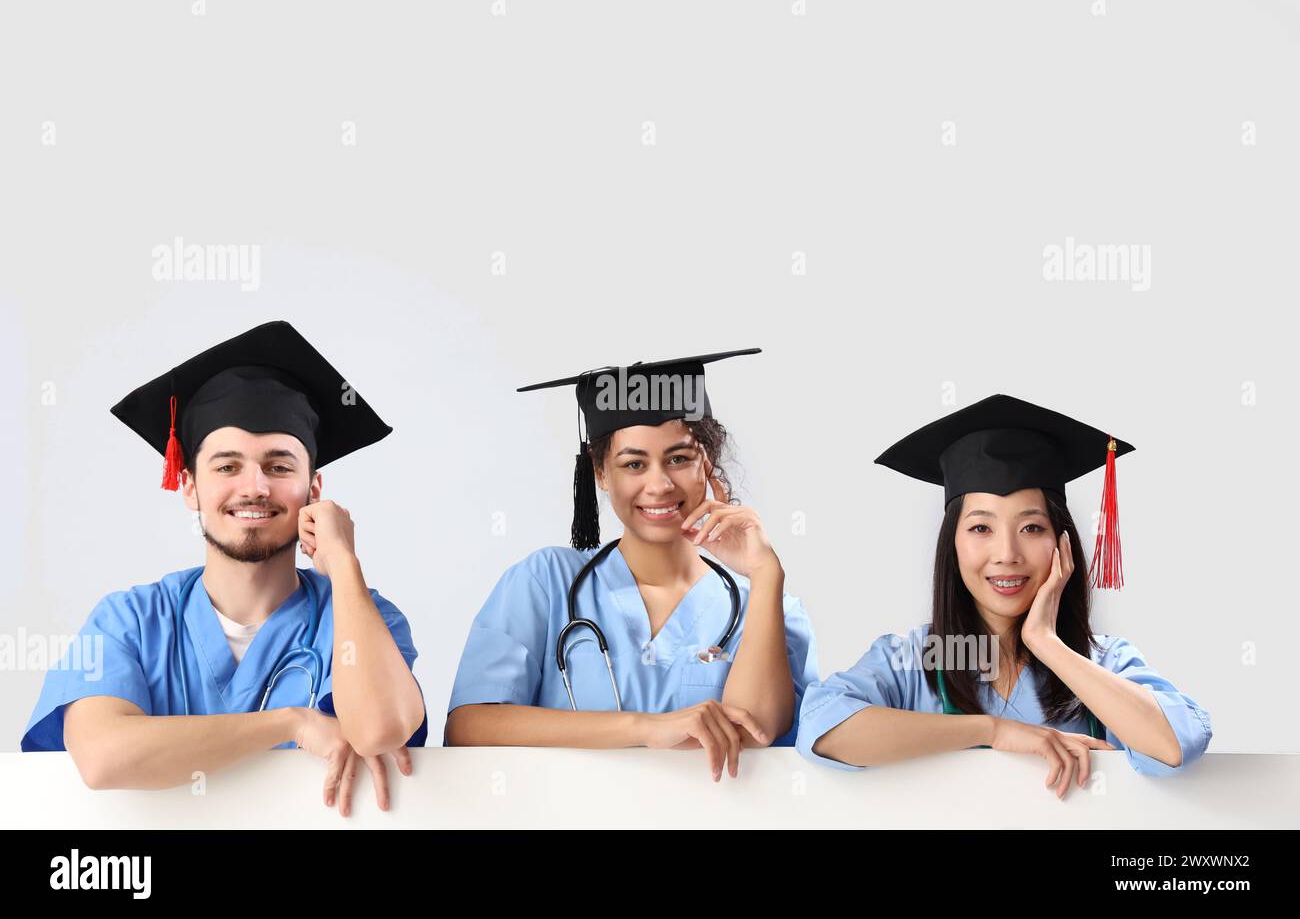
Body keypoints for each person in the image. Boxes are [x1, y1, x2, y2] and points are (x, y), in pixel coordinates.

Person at [22, 320, 428, 817]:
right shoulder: (129, 621)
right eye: (227, 466)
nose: (255, 486)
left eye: (279, 467)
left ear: (314, 490)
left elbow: (382, 728)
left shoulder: (359, 614)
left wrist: (343, 564)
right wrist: (291, 725)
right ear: (190, 486)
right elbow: (103, 757)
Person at [796, 394, 1212, 797]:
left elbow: (1175, 744)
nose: (1007, 554)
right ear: (952, 545)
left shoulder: (1102, 661)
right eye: (981, 528)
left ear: (1062, 544)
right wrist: (994, 731)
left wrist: (1046, 643)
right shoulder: (920, 657)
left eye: (1032, 528)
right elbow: (822, 728)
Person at [445, 349, 820, 781]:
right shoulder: (545, 582)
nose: (658, 484)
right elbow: (470, 726)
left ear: (708, 464)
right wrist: (647, 729)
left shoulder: (769, 607)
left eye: (679, 458)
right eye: (634, 464)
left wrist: (766, 574)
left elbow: (759, 731)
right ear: (601, 473)